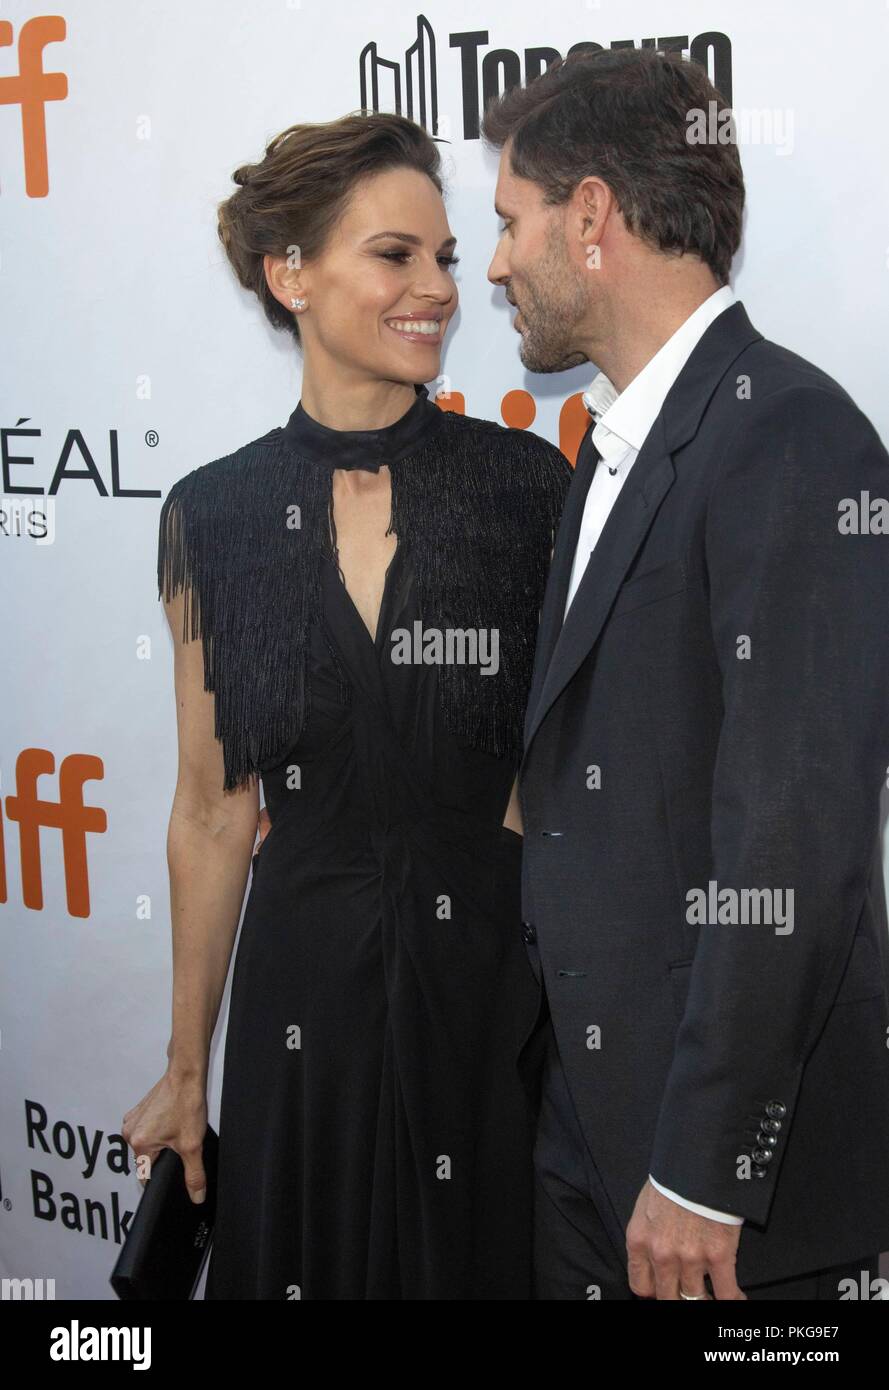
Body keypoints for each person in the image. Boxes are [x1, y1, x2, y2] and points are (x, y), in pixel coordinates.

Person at [121, 112, 572, 1299]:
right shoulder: (212, 517)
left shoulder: (525, 487)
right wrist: (185, 1070)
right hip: (302, 1006)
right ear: (291, 275)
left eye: (444, 256)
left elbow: (564, 769)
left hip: (487, 999)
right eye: (395, 256)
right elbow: (214, 813)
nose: (439, 286)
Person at [482, 47, 889, 1300]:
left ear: (591, 215)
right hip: (587, 1137)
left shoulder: (791, 433)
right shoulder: (619, 445)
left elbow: (793, 838)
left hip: (712, 1204)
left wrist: (710, 1164)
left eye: (508, 223)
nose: (494, 264)